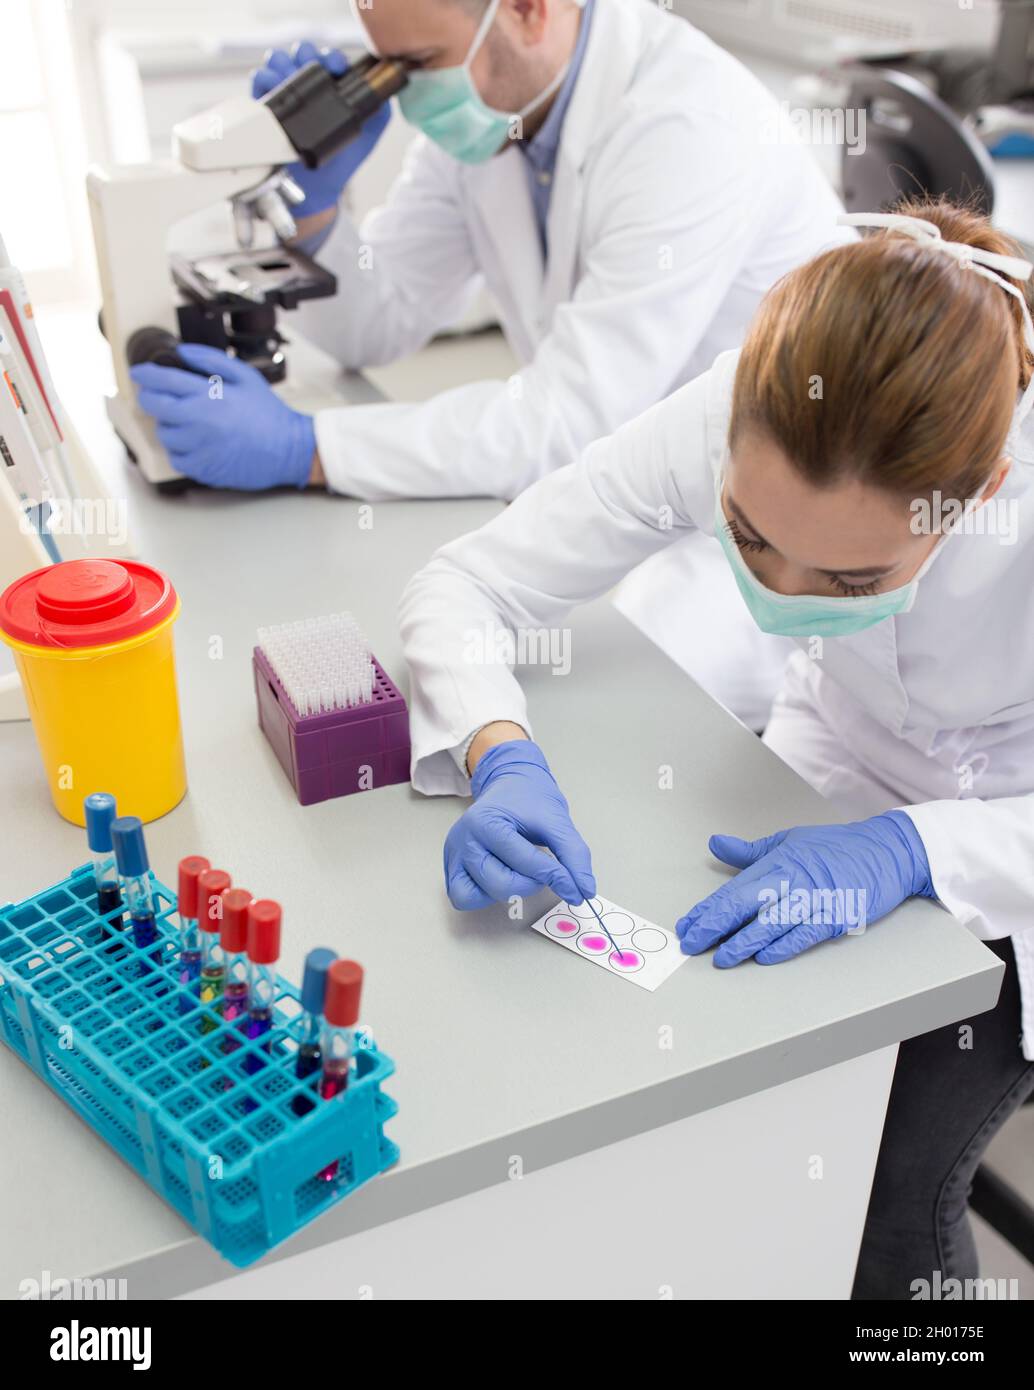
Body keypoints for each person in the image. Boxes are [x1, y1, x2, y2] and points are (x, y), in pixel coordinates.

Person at [396, 198, 1034, 1297]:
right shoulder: (760, 400)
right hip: (821, 758)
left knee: (882, 1189)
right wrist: (497, 750)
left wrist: (910, 849)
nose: (779, 594)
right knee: (708, 1084)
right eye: (748, 535)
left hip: (1008, 847)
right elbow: (469, 578)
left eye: (848, 580)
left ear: (973, 495)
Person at [129, 0, 853, 729]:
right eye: (385, 65)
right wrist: (316, 215)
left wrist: (306, 448)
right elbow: (380, 319)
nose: (405, 98)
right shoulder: (496, 116)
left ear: (527, 12)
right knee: (445, 634)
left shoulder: (689, 125)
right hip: (619, 485)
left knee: (604, 715)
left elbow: (566, 420)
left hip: (753, 534)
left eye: (416, 66)